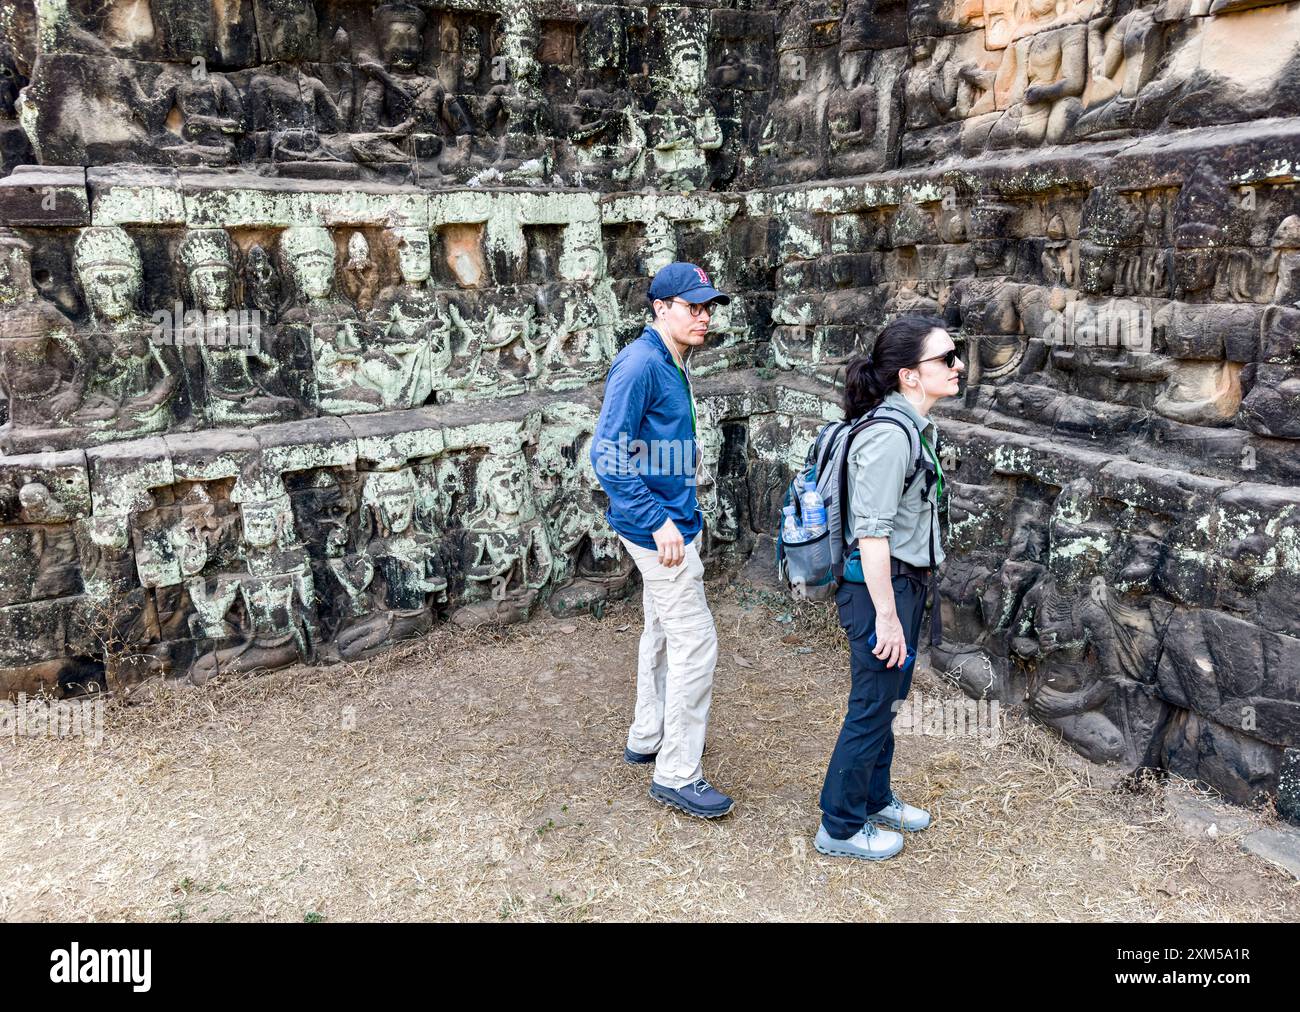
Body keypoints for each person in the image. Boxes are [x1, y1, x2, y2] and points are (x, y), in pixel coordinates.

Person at [814, 315, 964, 860]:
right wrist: (887, 617)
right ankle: (840, 824)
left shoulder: (912, 429)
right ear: (909, 375)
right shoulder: (887, 438)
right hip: (881, 590)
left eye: (956, 355)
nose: (958, 365)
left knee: (887, 700)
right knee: (871, 705)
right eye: (945, 359)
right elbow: (872, 536)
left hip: (904, 584)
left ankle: (874, 798)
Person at [590, 262, 735, 819]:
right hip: (660, 532)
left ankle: (648, 735)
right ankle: (678, 772)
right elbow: (607, 455)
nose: (703, 316)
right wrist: (658, 520)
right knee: (696, 642)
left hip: (670, 522)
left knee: (662, 630)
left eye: (706, 307)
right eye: (691, 306)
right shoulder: (641, 365)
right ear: (660, 308)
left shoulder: (670, 359)